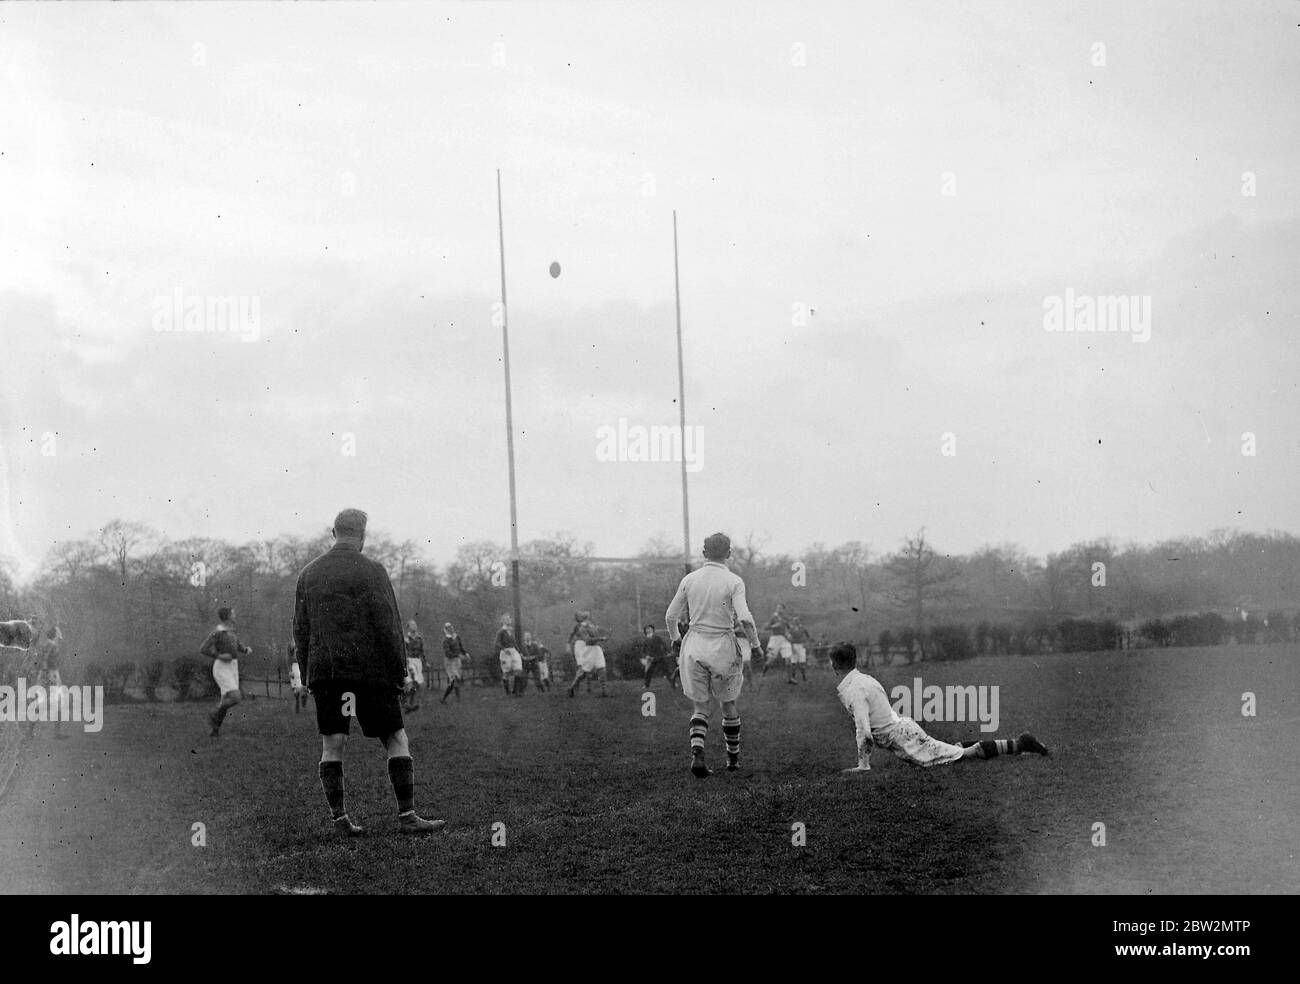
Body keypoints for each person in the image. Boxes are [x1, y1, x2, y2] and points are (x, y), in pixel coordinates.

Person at [293, 508, 443, 836]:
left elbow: (300, 630)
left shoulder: (308, 573)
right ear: (363, 535)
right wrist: (400, 669)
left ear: (334, 533)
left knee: (332, 743)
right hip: (369, 672)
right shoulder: (373, 570)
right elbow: (388, 624)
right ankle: (407, 816)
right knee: (395, 738)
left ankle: (340, 820)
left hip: (327, 673)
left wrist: (307, 675)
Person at [829, 642, 1050, 771]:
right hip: (904, 729)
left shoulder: (855, 689)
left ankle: (1020, 743)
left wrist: (863, 766)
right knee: (951, 750)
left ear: (833, 664)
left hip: (902, 737)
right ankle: (1018, 745)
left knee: (961, 755)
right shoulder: (865, 680)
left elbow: (864, 731)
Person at [666, 533, 761, 778]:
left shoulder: (689, 579)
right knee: (728, 703)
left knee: (700, 706)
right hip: (723, 646)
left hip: (695, 644)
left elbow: (670, 616)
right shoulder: (734, 581)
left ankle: (698, 753)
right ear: (729, 553)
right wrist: (756, 645)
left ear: (703, 552)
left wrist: (676, 640)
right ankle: (732, 760)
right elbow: (745, 618)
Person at [200, 606, 252, 737]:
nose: (235, 615)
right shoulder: (217, 632)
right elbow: (203, 648)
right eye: (233, 613)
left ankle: (214, 730)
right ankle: (213, 713)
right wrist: (219, 655)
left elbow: (237, 645)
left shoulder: (232, 631)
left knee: (226, 699)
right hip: (222, 667)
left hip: (233, 667)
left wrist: (245, 650)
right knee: (235, 697)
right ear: (228, 616)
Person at [567, 611, 608, 698]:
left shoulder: (591, 625)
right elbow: (588, 640)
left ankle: (604, 691)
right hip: (589, 650)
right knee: (584, 673)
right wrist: (601, 638)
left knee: (602, 669)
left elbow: (597, 632)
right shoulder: (581, 628)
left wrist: (602, 637)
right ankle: (571, 688)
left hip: (596, 649)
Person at [762, 604, 793, 678]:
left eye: (780, 608)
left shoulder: (785, 618)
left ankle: (789, 678)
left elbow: (789, 628)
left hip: (784, 639)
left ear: (783, 610)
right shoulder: (773, 617)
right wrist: (774, 626)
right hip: (775, 639)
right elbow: (765, 627)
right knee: (770, 660)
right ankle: (763, 674)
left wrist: (788, 633)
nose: (778, 609)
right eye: (777, 608)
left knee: (788, 658)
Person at [440, 622, 468, 703]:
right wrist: (458, 655)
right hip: (450, 662)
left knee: (456, 679)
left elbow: (460, 647)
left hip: (457, 661)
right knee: (454, 679)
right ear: (445, 630)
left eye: (451, 627)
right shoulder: (445, 640)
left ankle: (455, 699)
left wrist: (465, 653)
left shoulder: (456, 637)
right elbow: (448, 653)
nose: (451, 628)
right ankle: (446, 698)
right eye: (448, 628)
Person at [639, 623, 672, 690]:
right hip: (651, 659)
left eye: (650, 628)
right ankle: (646, 685)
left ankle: (672, 682)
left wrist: (667, 652)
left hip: (659, 657)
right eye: (647, 629)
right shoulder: (645, 640)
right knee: (648, 672)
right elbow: (643, 651)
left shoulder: (657, 638)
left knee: (666, 670)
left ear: (653, 630)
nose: (648, 630)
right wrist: (646, 656)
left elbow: (663, 645)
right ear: (645, 631)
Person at [496, 615, 523, 696]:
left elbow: (514, 642)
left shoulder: (511, 630)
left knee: (518, 669)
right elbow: (497, 643)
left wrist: (519, 651)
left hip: (513, 651)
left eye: (510, 618)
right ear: (503, 621)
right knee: (506, 672)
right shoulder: (501, 631)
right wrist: (504, 649)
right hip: (506, 652)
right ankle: (508, 692)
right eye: (507, 619)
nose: (509, 620)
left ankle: (516, 691)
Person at [402, 619, 425, 713]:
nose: (414, 626)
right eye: (412, 625)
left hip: (418, 661)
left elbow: (422, 651)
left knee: (417, 684)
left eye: (415, 624)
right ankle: (404, 699)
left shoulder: (419, 638)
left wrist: (425, 661)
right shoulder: (406, 639)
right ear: (409, 627)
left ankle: (409, 705)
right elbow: (403, 651)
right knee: (413, 681)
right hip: (410, 661)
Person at [787, 615, 811, 683]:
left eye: (797, 620)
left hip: (801, 646)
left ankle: (804, 678)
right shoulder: (791, 629)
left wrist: (806, 643)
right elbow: (789, 639)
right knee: (794, 663)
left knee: (802, 662)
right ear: (793, 622)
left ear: (799, 621)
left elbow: (808, 636)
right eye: (794, 620)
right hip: (794, 646)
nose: (796, 621)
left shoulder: (802, 628)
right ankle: (793, 679)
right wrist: (792, 648)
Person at [288, 640, 309, 713]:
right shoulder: (291, 644)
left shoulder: (304, 641)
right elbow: (289, 657)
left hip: (302, 665)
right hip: (295, 666)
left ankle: (304, 698)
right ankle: (297, 703)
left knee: (303, 685)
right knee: (296, 689)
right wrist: (290, 670)